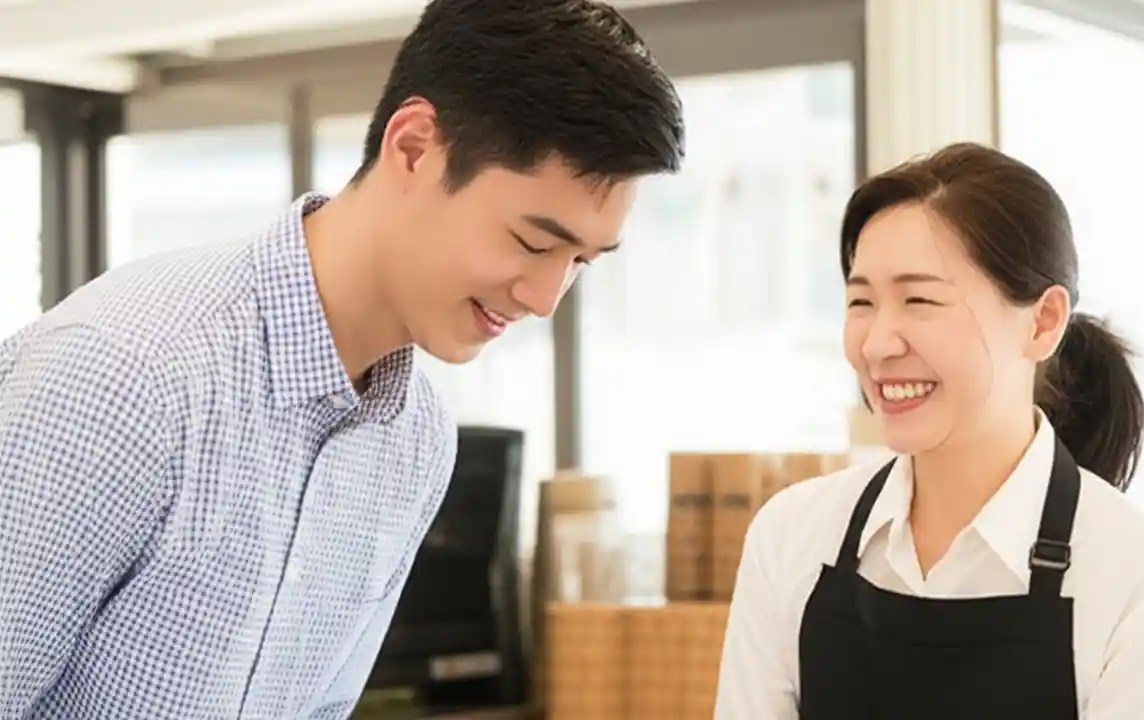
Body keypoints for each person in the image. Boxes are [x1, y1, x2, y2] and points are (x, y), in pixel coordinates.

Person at [0, 1, 683, 717]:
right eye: (535, 243)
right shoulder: (126, 375)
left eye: (581, 262)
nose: (547, 298)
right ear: (415, 146)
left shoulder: (415, 442)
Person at [714, 143, 1144, 719]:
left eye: (919, 299)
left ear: (1043, 322)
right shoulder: (791, 537)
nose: (877, 344)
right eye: (861, 300)